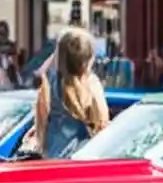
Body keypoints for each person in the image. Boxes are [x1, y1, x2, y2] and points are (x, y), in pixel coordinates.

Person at [35, 26, 109, 159]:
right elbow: (102, 124)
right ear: (89, 59)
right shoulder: (91, 85)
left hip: (54, 160)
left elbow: (41, 128)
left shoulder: (49, 85)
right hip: (85, 161)